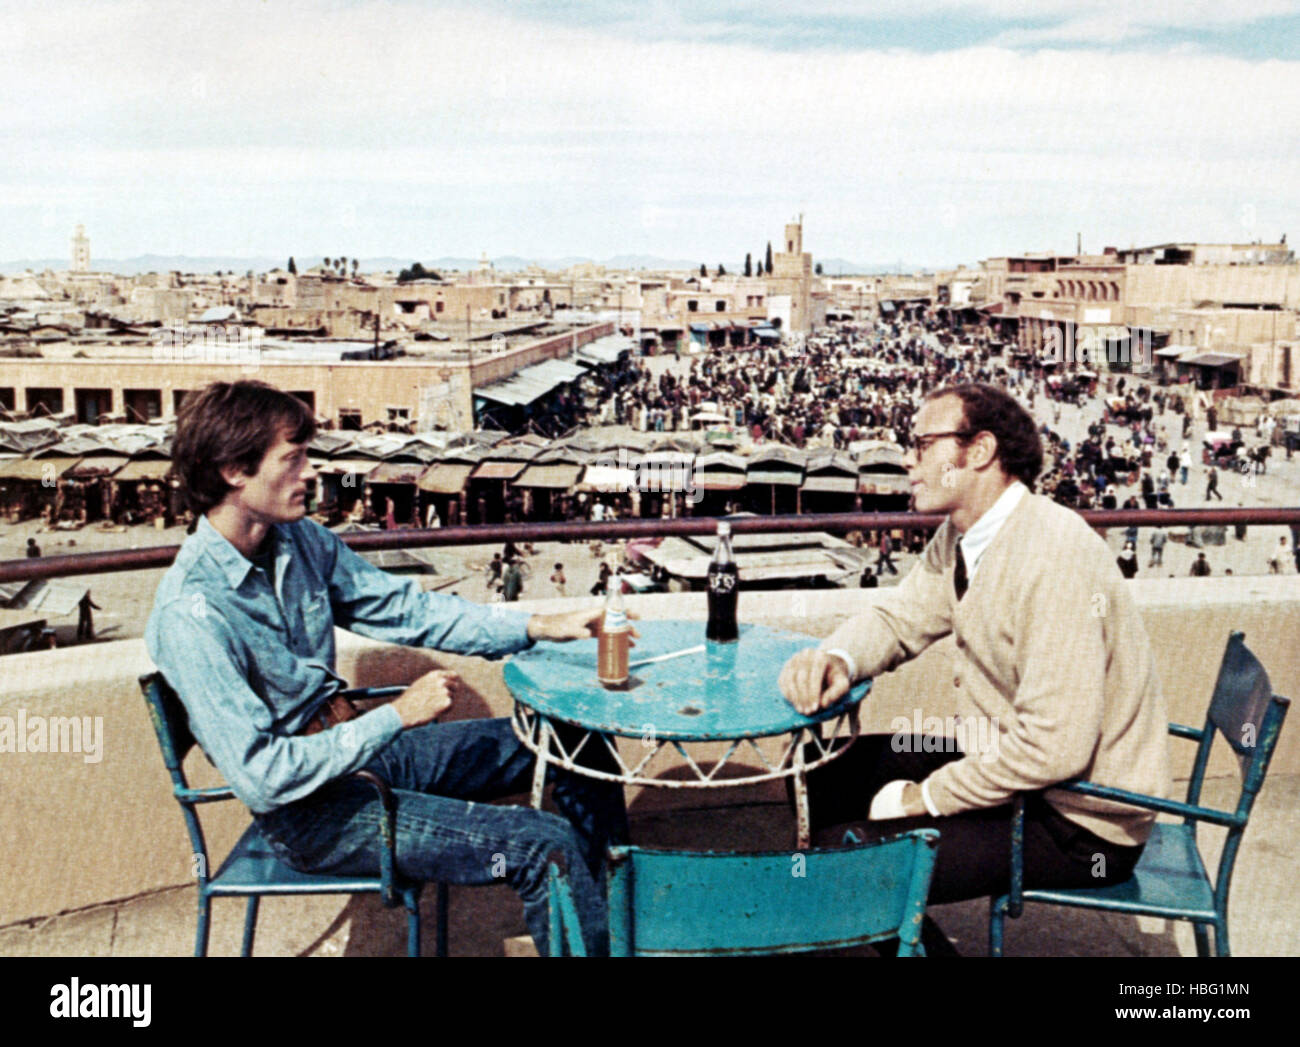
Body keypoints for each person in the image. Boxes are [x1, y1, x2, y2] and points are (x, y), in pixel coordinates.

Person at [145, 381, 628, 957]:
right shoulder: (191, 614)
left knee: (575, 741)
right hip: (310, 816)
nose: (311, 473)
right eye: (293, 458)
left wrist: (534, 627)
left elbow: (406, 609)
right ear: (233, 470)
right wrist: (396, 717)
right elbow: (264, 778)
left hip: (359, 757)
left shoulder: (297, 541)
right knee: (540, 844)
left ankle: (603, 924)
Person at [778, 383, 1169, 954]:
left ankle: (877, 910)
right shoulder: (968, 537)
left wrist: (925, 797)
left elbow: (1054, 747)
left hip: (1079, 827)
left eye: (921, 444)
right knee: (822, 771)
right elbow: (899, 616)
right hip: (1020, 774)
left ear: (980, 450)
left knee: (846, 865)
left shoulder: (1055, 557)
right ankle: (897, 929)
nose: (908, 464)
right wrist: (835, 656)